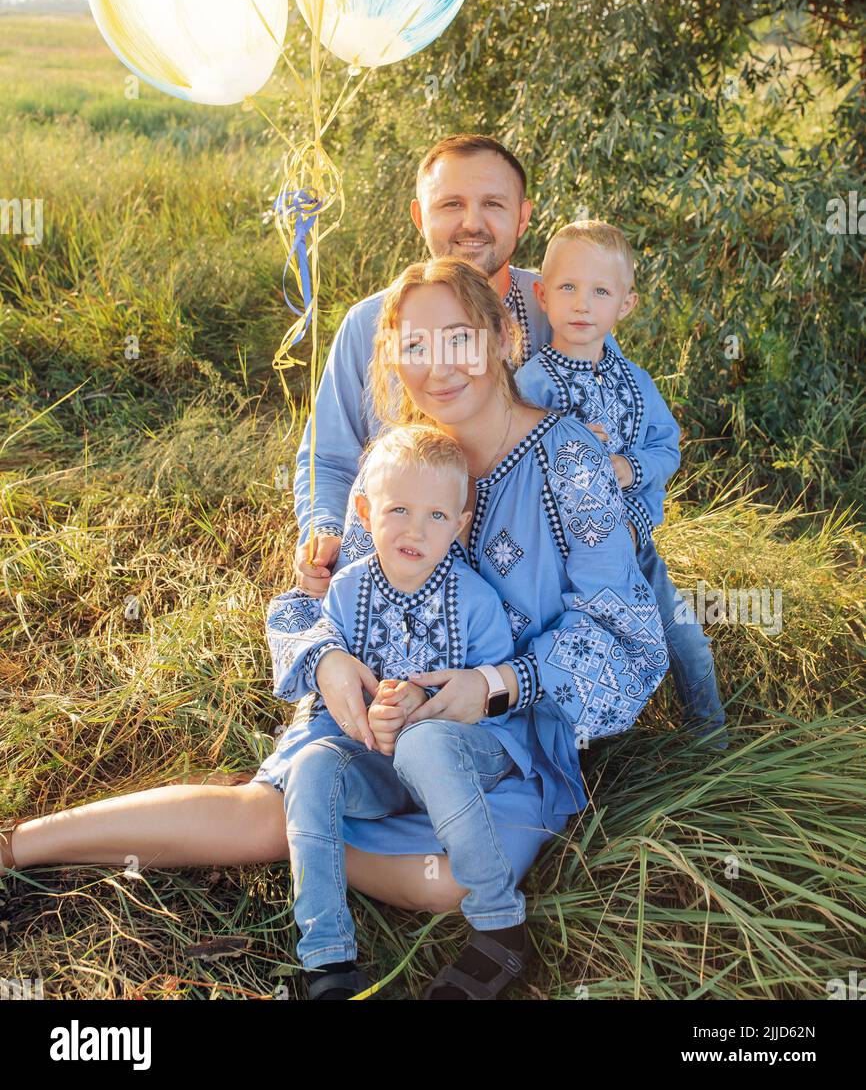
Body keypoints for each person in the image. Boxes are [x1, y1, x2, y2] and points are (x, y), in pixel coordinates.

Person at [2, 258, 667, 1001]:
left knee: (448, 881)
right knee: (268, 811)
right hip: (371, 719)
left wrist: (495, 683)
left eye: (458, 340)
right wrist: (326, 664)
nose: (437, 366)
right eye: (413, 347)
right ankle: (19, 845)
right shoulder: (402, 461)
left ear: (504, 336)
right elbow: (320, 608)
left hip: (502, 727)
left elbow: (624, 628)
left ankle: (300, 829)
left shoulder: (568, 458)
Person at [263, 426, 535, 999]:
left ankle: (501, 927)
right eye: (400, 509)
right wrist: (370, 710)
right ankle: (328, 961)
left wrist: (425, 709)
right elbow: (314, 661)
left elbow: (492, 709)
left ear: (460, 526)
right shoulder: (345, 590)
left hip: (457, 758)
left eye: (438, 516)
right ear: (364, 510)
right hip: (377, 761)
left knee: (422, 743)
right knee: (314, 765)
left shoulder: (477, 601)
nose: (416, 529)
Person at [293, 133, 621, 592]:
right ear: (418, 215)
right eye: (450, 204)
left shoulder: (565, 310)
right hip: (405, 577)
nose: (472, 223)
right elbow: (328, 456)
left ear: (523, 216)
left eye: (492, 203)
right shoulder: (368, 323)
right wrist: (324, 530)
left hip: (553, 583)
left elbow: (628, 434)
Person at [514, 220, 726, 741]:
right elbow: (512, 463)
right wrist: (565, 445)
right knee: (573, 648)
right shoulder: (532, 383)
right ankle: (575, 749)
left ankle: (711, 740)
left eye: (600, 291)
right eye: (568, 287)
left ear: (624, 306)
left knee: (688, 639)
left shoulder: (636, 382)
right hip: (563, 557)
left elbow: (666, 446)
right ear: (542, 295)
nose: (582, 304)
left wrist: (628, 469)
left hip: (635, 546)